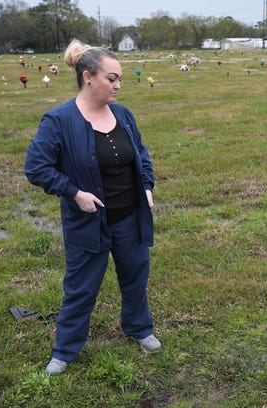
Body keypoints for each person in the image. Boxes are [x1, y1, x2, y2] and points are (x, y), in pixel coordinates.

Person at [24, 39, 161, 376]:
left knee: (135, 277)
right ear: (88, 77)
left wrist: (146, 185)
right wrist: (73, 193)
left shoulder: (123, 115)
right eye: (111, 78)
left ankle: (139, 328)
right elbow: (36, 167)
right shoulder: (59, 120)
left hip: (130, 217)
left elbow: (141, 154)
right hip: (87, 223)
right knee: (81, 287)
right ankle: (65, 349)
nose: (118, 85)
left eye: (119, 79)